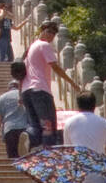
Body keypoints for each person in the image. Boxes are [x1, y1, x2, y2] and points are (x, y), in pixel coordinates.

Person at [21, 20, 82, 148]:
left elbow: (22, 74)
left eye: (53, 34)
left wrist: (20, 94)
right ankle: (48, 153)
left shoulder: (30, 48)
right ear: (41, 30)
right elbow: (55, 67)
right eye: (48, 31)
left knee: (35, 126)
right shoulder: (44, 45)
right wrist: (73, 84)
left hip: (27, 92)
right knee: (49, 126)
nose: (50, 36)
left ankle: (29, 139)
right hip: (40, 90)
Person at [0, 62, 31, 158]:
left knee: (12, 157)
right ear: (19, 86)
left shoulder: (2, 97)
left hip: (9, 129)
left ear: (8, 87)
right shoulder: (24, 95)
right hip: (24, 128)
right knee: (25, 157)